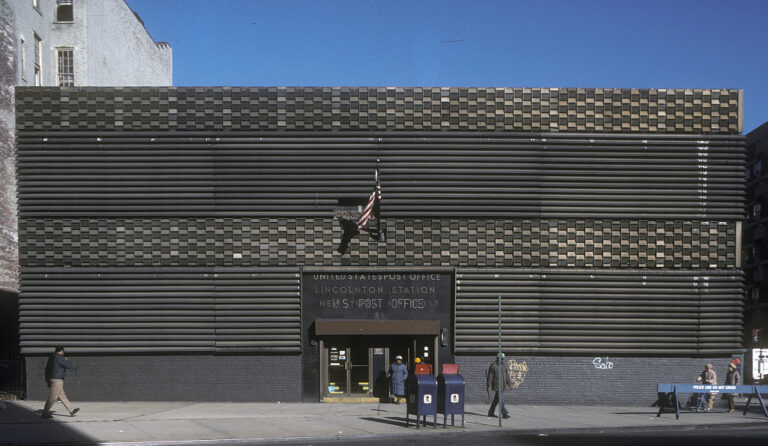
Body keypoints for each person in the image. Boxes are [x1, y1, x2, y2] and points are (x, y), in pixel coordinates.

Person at [41, 346, 79, 418]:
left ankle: (71, 410)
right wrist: (67, 360)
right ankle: (45, 413)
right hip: (57, 379)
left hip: (52, 378)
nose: (63, 352)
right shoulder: (60, 358)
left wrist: (47, 379)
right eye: (63, 351)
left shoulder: (52, 358)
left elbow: (47, 369)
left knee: (62, 396)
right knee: (53, 397)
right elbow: (69, 366)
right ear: (61, 351)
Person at [487, 353, 513, 419]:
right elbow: (490, 377)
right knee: (501, 400)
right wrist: (489, 386)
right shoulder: (493, 366)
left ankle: (491, 412)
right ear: (499, 359)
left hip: (502, 386)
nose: (504, 360)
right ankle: (504, 413)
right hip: (497, 386)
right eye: (502, 359)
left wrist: (510, 384)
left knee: (496, 400)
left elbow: (507, 376)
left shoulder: (503, 366)